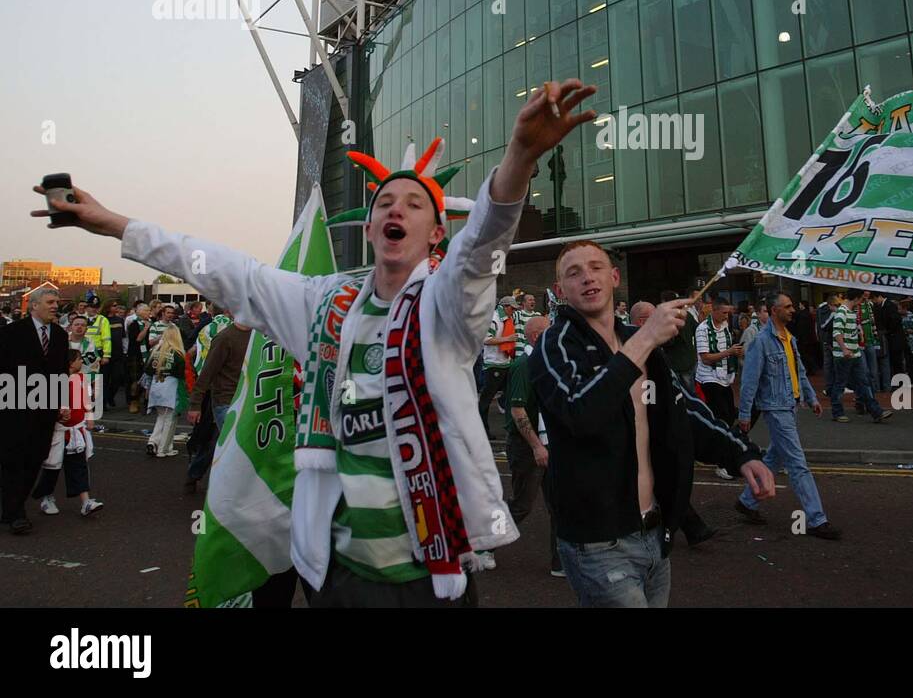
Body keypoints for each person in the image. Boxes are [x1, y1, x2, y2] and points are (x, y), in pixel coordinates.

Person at [33, 77, 596, 607]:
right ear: (371, 229)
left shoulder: (446, 305)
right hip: (334, 574)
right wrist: (112, 223)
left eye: (415, 203)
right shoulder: (320, 301)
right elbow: (228, 270)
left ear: (436, 232)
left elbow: (482, 245)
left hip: (430, 574)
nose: (395, 208)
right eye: (383, 204)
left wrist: (520, 156)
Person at [531, 240, 774, 607]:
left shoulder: (637, 342)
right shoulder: (555, 345)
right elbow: (581, 413)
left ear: (614, 277)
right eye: (573, 273)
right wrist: (646, 338)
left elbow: (684, 409)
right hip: (598, 543)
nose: (587, 278)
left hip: (653, 532)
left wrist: (740, 453)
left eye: (596, 267)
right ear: (559, 290)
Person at [734, 293, 840, 539]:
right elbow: (749, 381)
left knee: (774, 458)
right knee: (797, 464)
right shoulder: (761, 342)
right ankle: (816, 519)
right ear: (774, 310)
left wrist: (811, 397)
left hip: (790, 405)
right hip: (775, 408)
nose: (793, 310)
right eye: (788, 307)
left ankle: (747, 501)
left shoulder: (789, 339)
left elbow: (799, 371)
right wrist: (744, 414)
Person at [632, 299, 715, 549]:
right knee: (660, 482)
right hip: (642, 433)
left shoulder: (654, 350)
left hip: (660, 429)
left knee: (666, 480)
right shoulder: (633, 349)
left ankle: (690, 528)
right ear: (641, 322)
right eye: (651, 317)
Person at [0, 289, 70, 534]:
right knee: (13, 458)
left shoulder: (60, 336)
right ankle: (15, 512)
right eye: (50, 302)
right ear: (34, 306)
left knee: (35, 458)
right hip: (14, 405)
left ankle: (10, 507)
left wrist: (63, 403)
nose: (55, 306)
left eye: (56, 303)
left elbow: (62, 371)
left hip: (46, 409)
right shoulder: (12, 332)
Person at [504, 315, 560, 576]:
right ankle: (484, 544)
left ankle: (560, 562)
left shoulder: (545, 364)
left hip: (548, 443)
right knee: (522, 505)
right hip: (527, 446)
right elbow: (517, 410)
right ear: (538, 336)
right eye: (551, 331)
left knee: (559, 504)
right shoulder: (524, 365)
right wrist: (537, 446)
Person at [33, 345, 103, 518]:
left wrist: (89, 416)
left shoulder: (81, 378)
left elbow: (86, 400)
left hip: (76, 431)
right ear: (71, 363)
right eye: (79, 359)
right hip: (59, 432)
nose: (81, 361)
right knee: (52, 467)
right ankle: (46, 498)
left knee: (78, 466)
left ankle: (85, 502)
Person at [184, 319, 252, 493]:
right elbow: (207, 372)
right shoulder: (225, 338)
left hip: (249, 399)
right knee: (234, 446)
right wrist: (195, 405)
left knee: (216, 443)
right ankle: (228, 491)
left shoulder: (260, 336)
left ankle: (194, 473)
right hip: (225, 400)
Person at [829, 291, 891, 424]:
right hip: (845, 355)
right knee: (844, 384)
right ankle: (838, 412)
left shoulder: (849, 311)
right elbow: (837, 332)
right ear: (856, 298)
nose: (862, 302)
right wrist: (845, 349)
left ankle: (876, 411)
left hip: (853, 353)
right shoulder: (843, 312)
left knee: (861, 383)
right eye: (861, 299)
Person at [695, 295, 742, 433]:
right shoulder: (702, 329)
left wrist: (736, 352)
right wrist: (729, 352)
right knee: (721, 415)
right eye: (724, 313)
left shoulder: (725, 325)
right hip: (709, 378)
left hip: (724, 377)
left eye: (728, 313)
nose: (727, 317)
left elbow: (725, 349)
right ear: (714, 311)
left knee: (730, 414)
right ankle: (719, 443)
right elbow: (705, 358)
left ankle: (724, 441)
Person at [479, 295, 519, 437]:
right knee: (486, 399)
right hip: (493, 364)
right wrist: (507, 339)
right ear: (506, 307)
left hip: (505, 363)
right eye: (512, 309)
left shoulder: (507, 319)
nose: (513, 311)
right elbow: (486, 340)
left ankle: (511, 428)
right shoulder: (494, 319)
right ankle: (483, 429)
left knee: (510, 396)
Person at [146, 322, 187, 457]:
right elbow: (181, 374)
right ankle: (163, 449)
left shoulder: (156, 351)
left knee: (161, 416)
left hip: (156, 386)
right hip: (170, 388)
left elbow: (147, 370)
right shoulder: (178, 353)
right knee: (170, 419)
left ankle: (153, 441)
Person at [124, 301, 151, 414]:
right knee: (135, 380)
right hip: (135, 354)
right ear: (139, 312)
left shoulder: (150, 323)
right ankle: (133, 402)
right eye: (146, 311)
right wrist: (145, 328)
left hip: (146, 354)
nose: (148, 313)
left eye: (149, 310)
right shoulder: (134, 324)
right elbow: (138, 339)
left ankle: (145, 402)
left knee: (146, 379)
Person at [816, 290, 841, 393]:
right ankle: (832, 387)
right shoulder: (827, 309)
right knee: (832, 364)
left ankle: (830, 387)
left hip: (828, 339)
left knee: (830, 364)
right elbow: (823, 325)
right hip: (830, 340)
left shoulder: (822, 308)